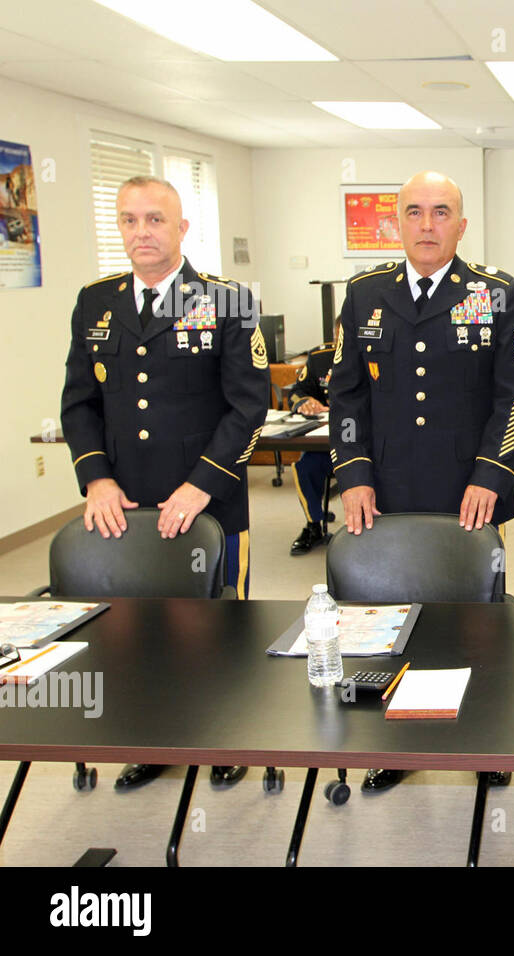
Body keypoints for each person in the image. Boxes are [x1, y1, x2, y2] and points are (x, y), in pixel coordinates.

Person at [329, 170, 514, 792]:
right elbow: (345, 394)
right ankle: (398, 742)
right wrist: (353, 473)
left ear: (461, 225)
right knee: (392, 616)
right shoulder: (365, 293)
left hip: (466, 489)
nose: (427, 224)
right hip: (384, 490)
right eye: (415, 212)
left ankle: (483, 736)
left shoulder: (495, 292)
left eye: (441, 211)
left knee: (474, 615)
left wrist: (491, 474)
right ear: (397, 222)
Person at [61, 175, 268, 789]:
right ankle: (154, 737)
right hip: (126, 502)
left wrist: (202, 484)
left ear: (182, 229)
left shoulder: (227, 300)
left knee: (215, 621)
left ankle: (227, 735)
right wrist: (95, 479)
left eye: (155, 219)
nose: (141, 231)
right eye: (129, 220)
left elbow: (248, 405)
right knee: (138, 624)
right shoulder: (96, 302)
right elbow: (79, 404)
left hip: (210, 499)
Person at [285, 330, 336, 555]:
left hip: (367, 443)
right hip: (326, 443)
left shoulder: (378, 353)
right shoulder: (320, 357)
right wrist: (305, 402)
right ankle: (314, 524)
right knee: (305, 467)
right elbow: (296, 392)